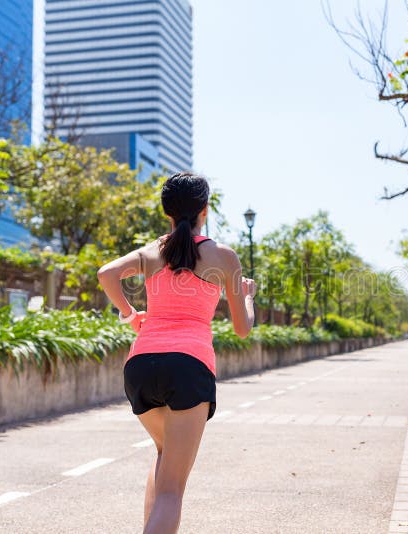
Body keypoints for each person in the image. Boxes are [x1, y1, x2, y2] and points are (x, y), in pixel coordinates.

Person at [97, 172, 256, 534]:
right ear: (205, 208)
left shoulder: (154, 250)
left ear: (167, 211)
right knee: (173, 490)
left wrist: (129, 314)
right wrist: (247, 297)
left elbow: (107, 274)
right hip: (188, 366)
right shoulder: (223, 256)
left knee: (164, 457)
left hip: (140, 365)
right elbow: (242, 328)